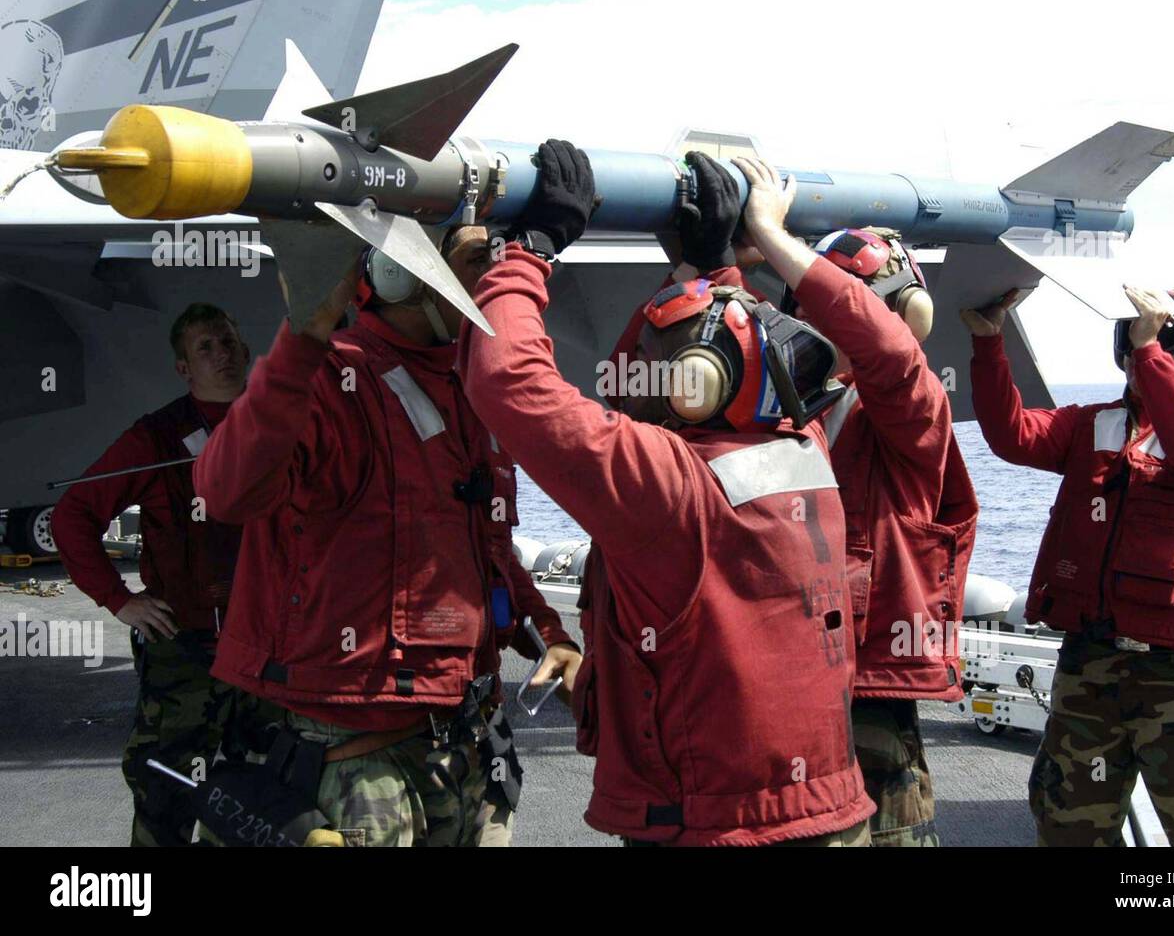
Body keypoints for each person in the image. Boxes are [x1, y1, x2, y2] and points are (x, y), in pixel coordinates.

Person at [460, 141, 872, 846]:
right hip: (822, 808)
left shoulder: (668, 486)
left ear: (696, 379)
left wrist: (528, 253)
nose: (637, 371)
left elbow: (509, 383)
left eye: (659, 358)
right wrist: (710, 267)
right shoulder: (806, 450)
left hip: (707, 821)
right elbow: (650, 390)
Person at [607, 156, 979, 846]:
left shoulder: (910, 414)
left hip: (869, 703)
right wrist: (704, 270)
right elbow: (647, 390)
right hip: (779, 699)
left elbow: (888, 355)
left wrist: (775, 238)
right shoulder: (777, 411)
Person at [192, 225, 580, 847]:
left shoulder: (462, 385)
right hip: (358, 765)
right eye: (480, 261)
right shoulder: (333, 379)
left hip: (467, 747)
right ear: (405, 275)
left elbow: (482, 547)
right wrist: (303, 338)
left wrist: (545, 631)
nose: (495, 282)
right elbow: (226, 490)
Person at [962, 285, 1174, 847]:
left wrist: (1151, 351)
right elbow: (1010, 434)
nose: (1138, 353)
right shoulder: (1089, 427)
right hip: (1093, 669)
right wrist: (989, 345)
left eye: (1161, 343)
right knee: (1068, 822)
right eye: (1129, 343)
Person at [52, 302, 272, 847]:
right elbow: (72, 515)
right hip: (187, 649)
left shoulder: (279, 423)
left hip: (271, 649)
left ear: (246, 350)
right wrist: (117, 599)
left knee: (268, 799)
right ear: (183, 368)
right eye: (205, 348)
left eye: (227, 342)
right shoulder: (156, 439)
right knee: (166, 792)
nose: (221, 355)